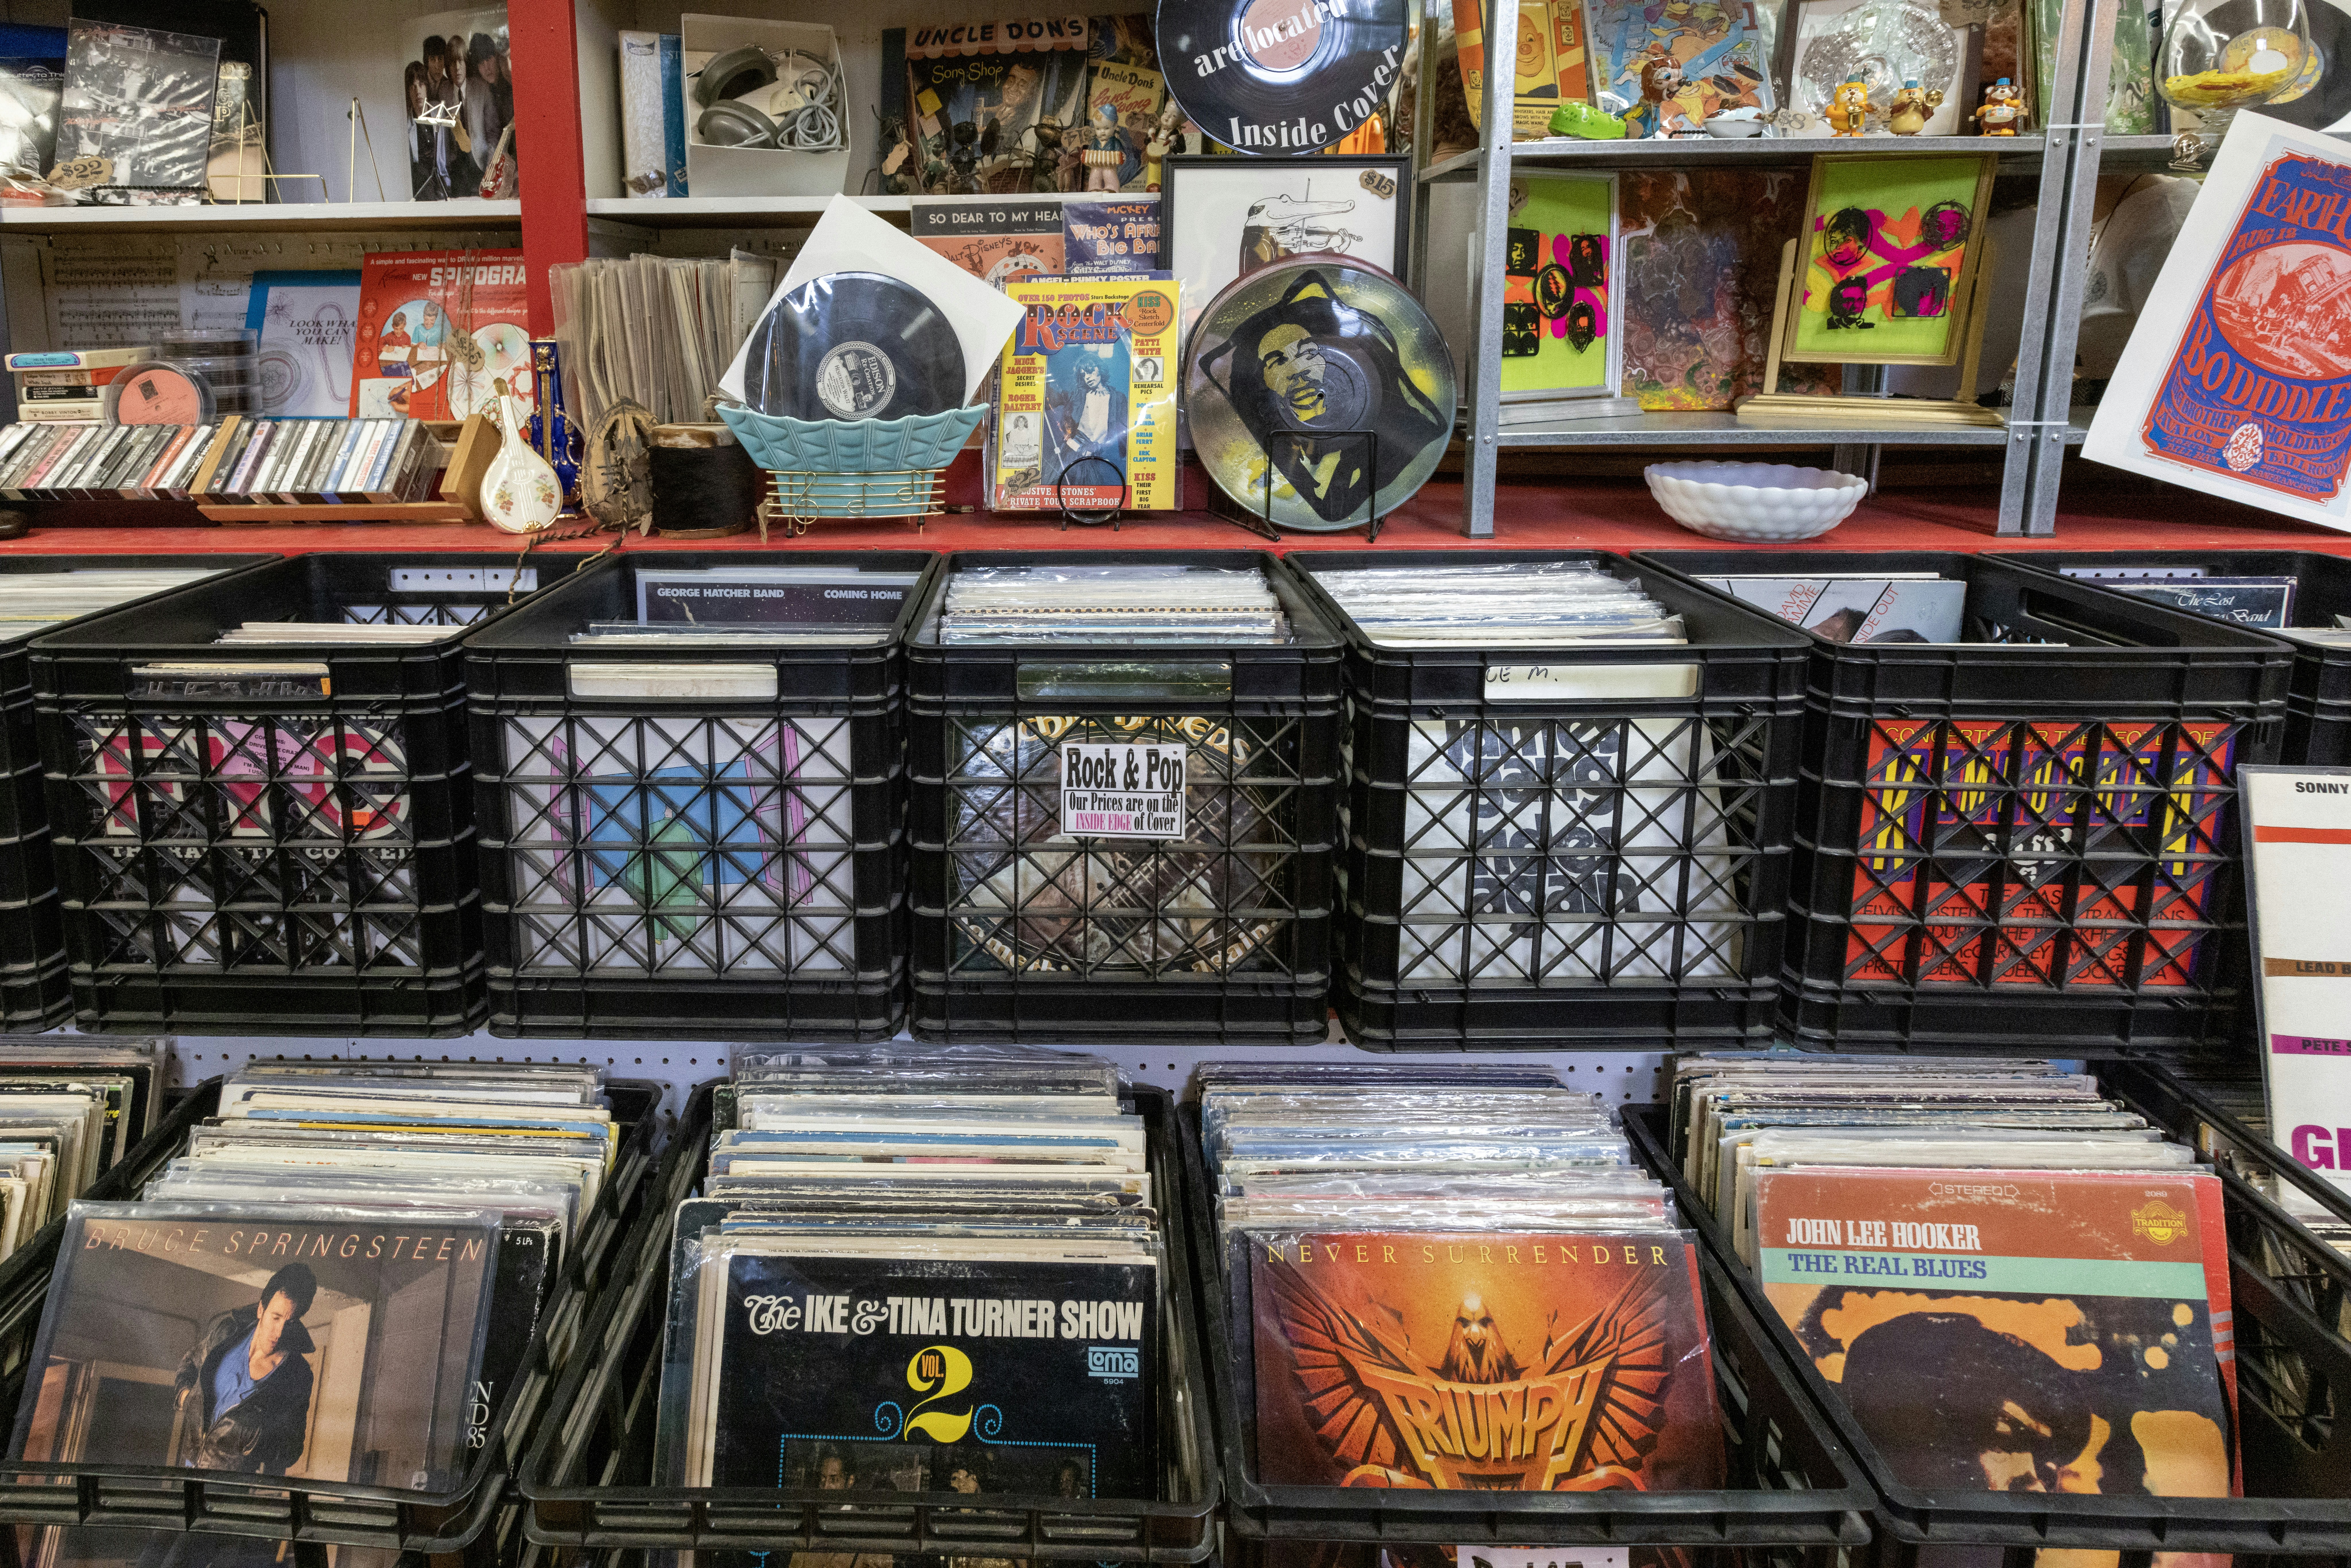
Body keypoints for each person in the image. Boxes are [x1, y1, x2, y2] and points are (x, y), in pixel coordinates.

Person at [1195, 267, 1450, 527]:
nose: (1298, 370)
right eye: (1277, 362)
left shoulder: (1407, 432)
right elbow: (1330, 507)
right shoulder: (1276, 449)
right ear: (1264, 381)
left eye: (1307, 354)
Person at [177, 1263, 319, 1475]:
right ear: (262, 1309)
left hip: (229, 1491)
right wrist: (187, 1400)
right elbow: (189, 1365)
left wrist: (257, 1438)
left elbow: (291, 1451)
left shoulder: (297, 1376)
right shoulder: (227, 1332)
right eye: (276, 1318)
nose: (279, 1332)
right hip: (185, 1471)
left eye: (290, 1322)